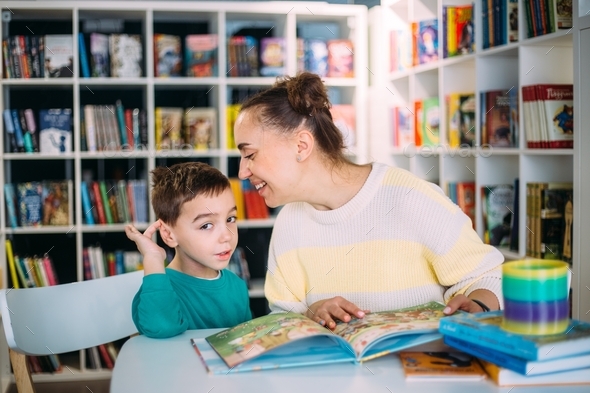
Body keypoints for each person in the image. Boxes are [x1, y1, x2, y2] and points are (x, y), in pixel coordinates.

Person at [233, 72, 504, 330]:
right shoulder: (288, 223)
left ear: (301, 146)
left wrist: (478, 305)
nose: (242, 172)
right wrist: (310, 315)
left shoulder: (411, 198)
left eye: (250, 154)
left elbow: (489, 276)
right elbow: (283, 322)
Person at [125, 162, 252, 338]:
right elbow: (162, 328)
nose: (227, 236)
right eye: (207, 225)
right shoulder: (157, 288)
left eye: (230, 218)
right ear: (169, 235)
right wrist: (153, 258)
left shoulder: (237, 286)